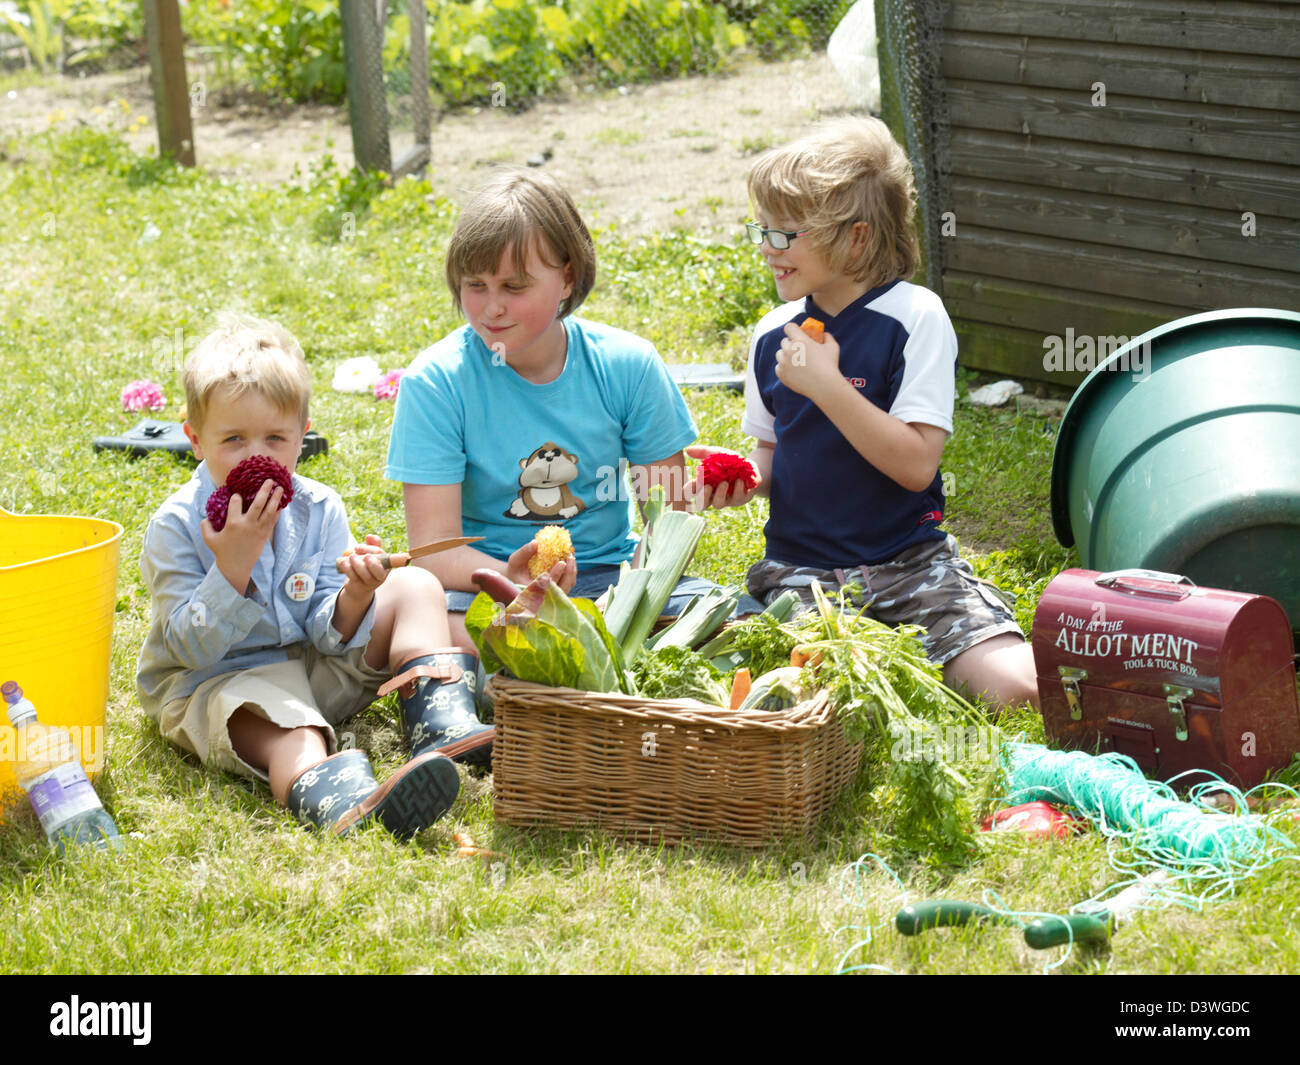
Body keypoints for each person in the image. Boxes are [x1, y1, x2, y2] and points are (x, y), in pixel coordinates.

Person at [689, 117, 1039, 711]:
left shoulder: (915, 317)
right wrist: (738, 480)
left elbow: (916, 467)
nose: (768, 249)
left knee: (1019, 690)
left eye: (785, 234)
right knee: (795, 700)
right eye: (763, 230)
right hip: (801, 577)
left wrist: (828, 385)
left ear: (855, 237)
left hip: (910, 566)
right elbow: (771, 457)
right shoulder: (772, 332)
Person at [136, 316, 489, 841]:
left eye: (275, 437)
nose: (256, 455)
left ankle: (441, 721)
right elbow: (190, 649)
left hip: (309, 665)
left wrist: (356, 594)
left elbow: (327, 626)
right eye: (233, 438)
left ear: (303, 436)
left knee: (415, 585)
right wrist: (233, 564)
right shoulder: (177, 525)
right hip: (219, 687)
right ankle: (345, 802)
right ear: (194, 439)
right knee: (294, 732)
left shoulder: (319, 507)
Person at [387, 168, 748, 654]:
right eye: (475, 285)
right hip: (485, 585)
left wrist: (631, 602)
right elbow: (434, 551)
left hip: (611, 579)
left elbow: (667, 520)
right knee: (431, 624)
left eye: (514, 287)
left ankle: (563, 664)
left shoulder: (628, 365)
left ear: (567, 278)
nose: (491, 308)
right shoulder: (436, 381)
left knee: (735, 624)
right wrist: (511, 581)